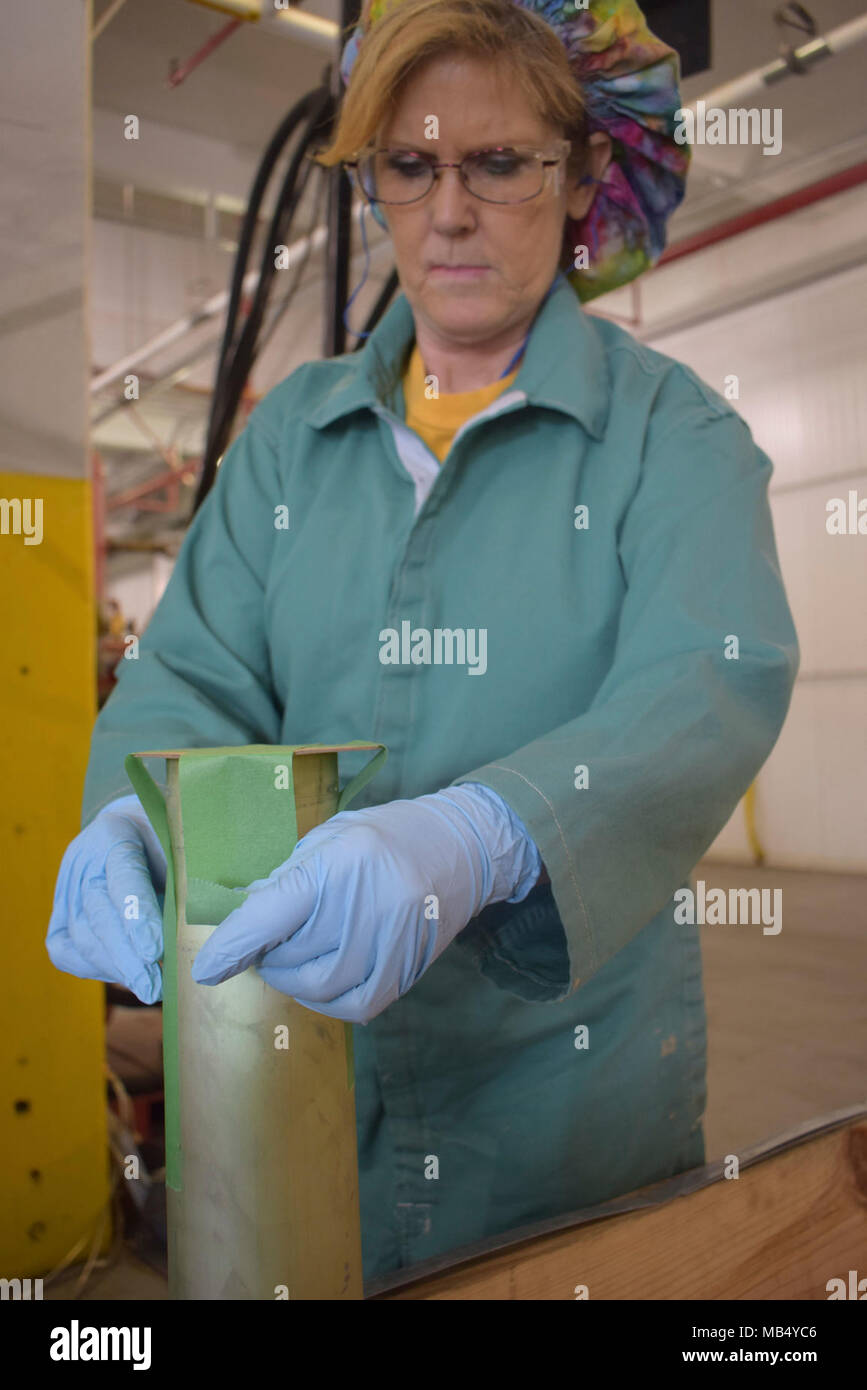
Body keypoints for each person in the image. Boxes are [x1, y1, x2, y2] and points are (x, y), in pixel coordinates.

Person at [48, 0, 800, 1284]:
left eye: (500, 162)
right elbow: (191, 669)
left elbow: (707, 678)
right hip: (293, 1099)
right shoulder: (293, 438)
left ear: (581, 180)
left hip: (563, 1120)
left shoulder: (672, 437)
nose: (448, 211)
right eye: (410, 163)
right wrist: (132, 811)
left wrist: (487, 832)